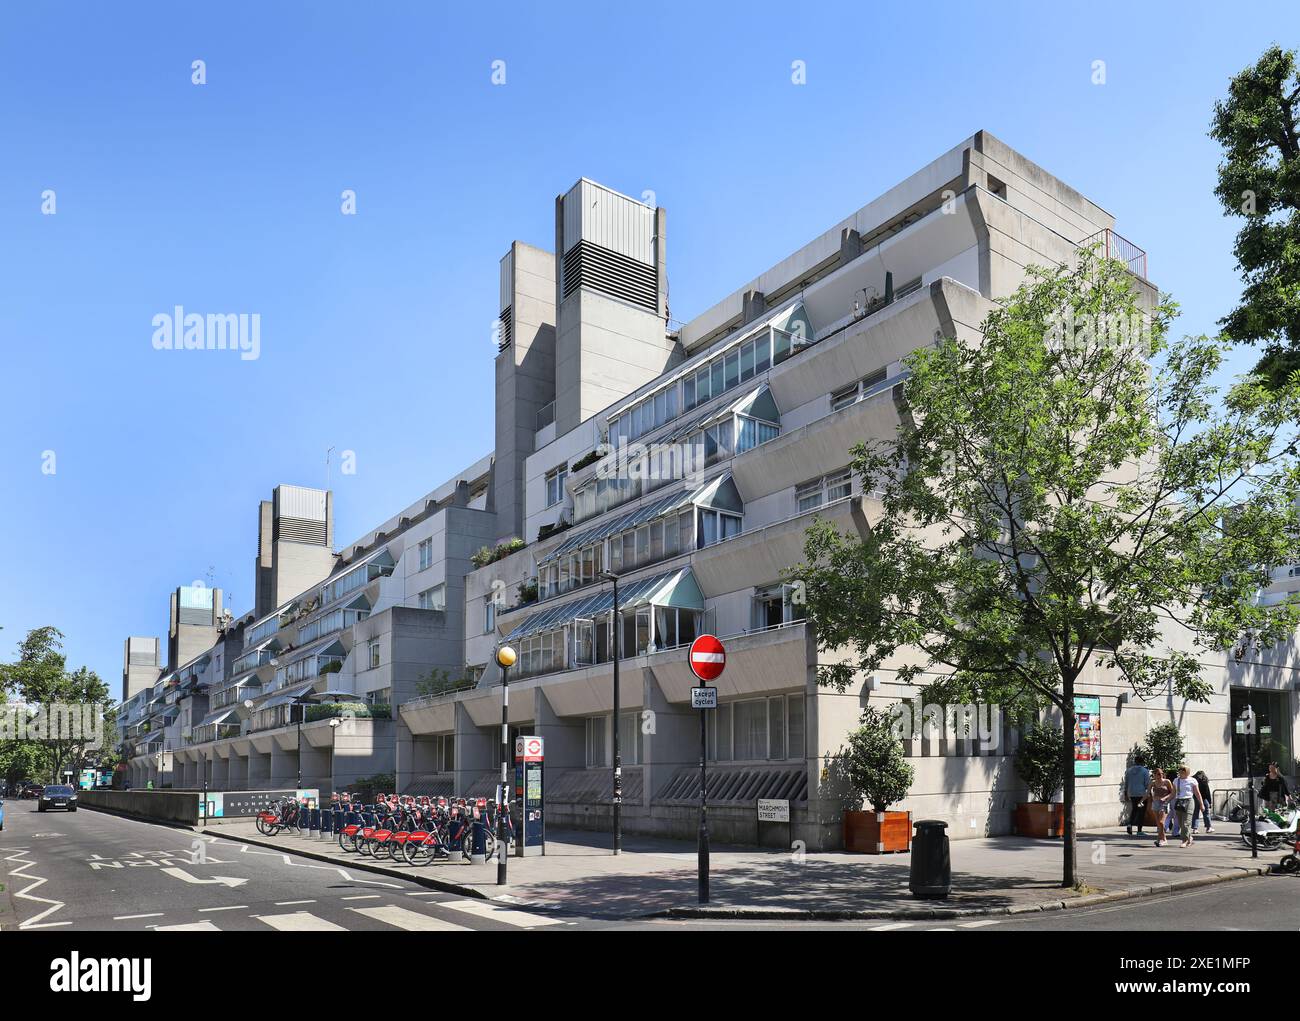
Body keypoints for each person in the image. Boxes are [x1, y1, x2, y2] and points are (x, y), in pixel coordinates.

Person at [1174, 766, 1206, 847]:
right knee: (1181, 823)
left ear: (1187, 772)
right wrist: (1166, 800)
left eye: (1183, 771)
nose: (1181, 773)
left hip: (1189, 801)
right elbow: (1173, 793)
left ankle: (1184, 840)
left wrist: (1201, 804)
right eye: (1180, 771)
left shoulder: (1192, 780)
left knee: (1186, 823)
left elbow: (1197, 793)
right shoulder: (1176, 780)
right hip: (1179, 801)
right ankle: (1189, 837)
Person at [1124, 754, 1150, 836]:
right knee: (1141, 812)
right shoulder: (1145, 771)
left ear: (1135, 761)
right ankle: (1139, 831)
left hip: (1132, 793)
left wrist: (1125, 793)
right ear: (1142, 762)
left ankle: (1130, 824)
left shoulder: (1129, 771)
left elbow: (1126, 783)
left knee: (1134, 809)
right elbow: (1147, 784)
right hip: (1141, 794)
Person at [1148, 768, 1174, 846]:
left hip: (1164, 803)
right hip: (1155, 803)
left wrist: (1165, 798)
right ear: (1154, 775)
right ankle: (1163, 839)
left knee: (1161, 822)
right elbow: (1148, 793)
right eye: (1158, 774)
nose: (1161, 775)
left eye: (1162, 773)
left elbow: (1173, 792)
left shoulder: (1167, 781)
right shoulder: (1153, 782)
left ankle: (1160, 839)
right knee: (1158, 823)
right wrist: (1142, 800)